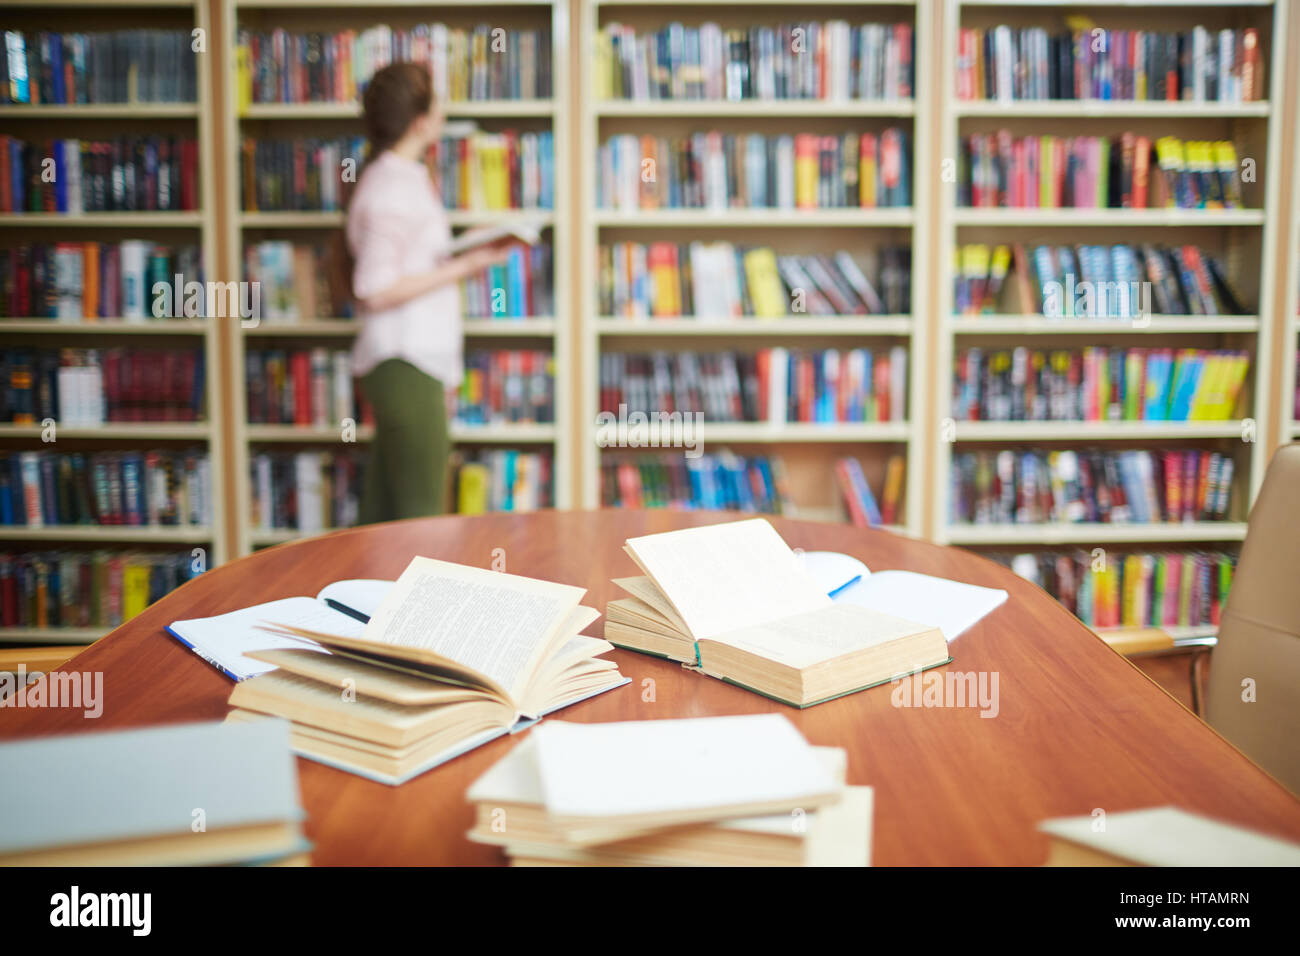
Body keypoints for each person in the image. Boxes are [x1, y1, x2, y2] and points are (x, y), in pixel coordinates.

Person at [345, 62, 510, 522]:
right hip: (404, 363)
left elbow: (407, 260)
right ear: (420, 120)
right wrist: (466, 265)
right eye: (437, 100)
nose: (444, 108)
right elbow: (374, 289)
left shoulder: (401, 176)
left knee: (383, 517)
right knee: (421, 521)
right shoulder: (392, 187)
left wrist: (463, 247)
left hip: (407, 363)